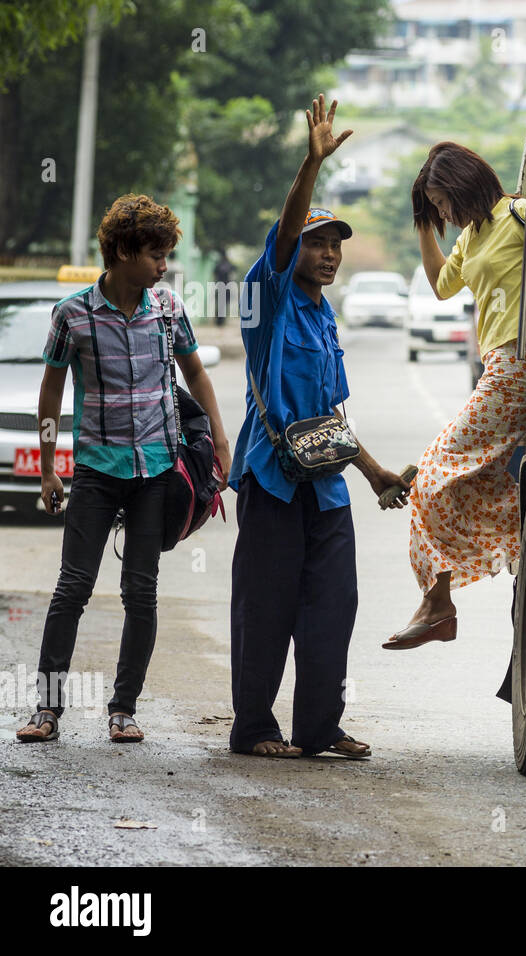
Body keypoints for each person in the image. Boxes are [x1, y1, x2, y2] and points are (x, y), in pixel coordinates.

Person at [227, 95, 410, 758]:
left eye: (336, 245)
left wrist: (372, 472)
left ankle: (318, 727)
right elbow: (282, 236)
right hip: (273, 483)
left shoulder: (325, 315)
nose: (329, 253)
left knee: (332, 608)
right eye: (318, 242)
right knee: (265, 610)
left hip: (325, 487)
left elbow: (330, 417)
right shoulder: (267, 298)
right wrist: (311, 163)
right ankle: (252, 728)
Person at [17, 194, 231, 744]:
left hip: (157, 470)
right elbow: (50, 391)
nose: (163, 266)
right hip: (96, 469)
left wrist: (221, 439)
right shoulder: (73, 314)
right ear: (122, 252)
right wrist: (47, 468)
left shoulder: (167, 309)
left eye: (166, 256)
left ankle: (123, 709)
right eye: (155, 254)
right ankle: (47, 710)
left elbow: (197, 376)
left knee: (142, 590)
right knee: (73, 588)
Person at [384, 142, 526, 650]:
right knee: (469, 484)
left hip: (518, 365)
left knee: (431, 477)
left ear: (463, 185)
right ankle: (440, 603)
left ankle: (437, 604)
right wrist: (423, 223)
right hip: (494, 367)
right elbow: (441, 286)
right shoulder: (471, 238)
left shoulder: (522, 216)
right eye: (436, 207)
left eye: (443, 203)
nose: (444, 213)